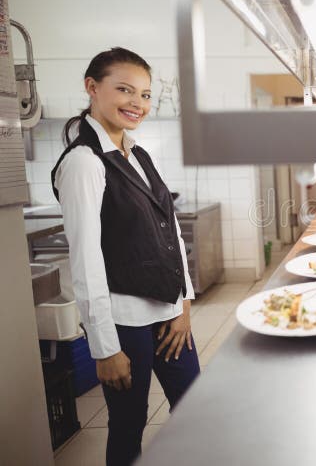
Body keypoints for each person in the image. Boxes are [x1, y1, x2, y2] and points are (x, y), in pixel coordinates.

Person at [51, 48, 199, 465]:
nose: (138, 103)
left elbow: (169, 230)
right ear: (92, 87)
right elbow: (86, 259)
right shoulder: (84, 163)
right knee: (129, 426)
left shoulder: (138, 154)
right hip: (126, 324)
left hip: (170, 316)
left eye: (146, 94)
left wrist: (183, 303)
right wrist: (104, 349)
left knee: (195, 413)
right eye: (125, 90)